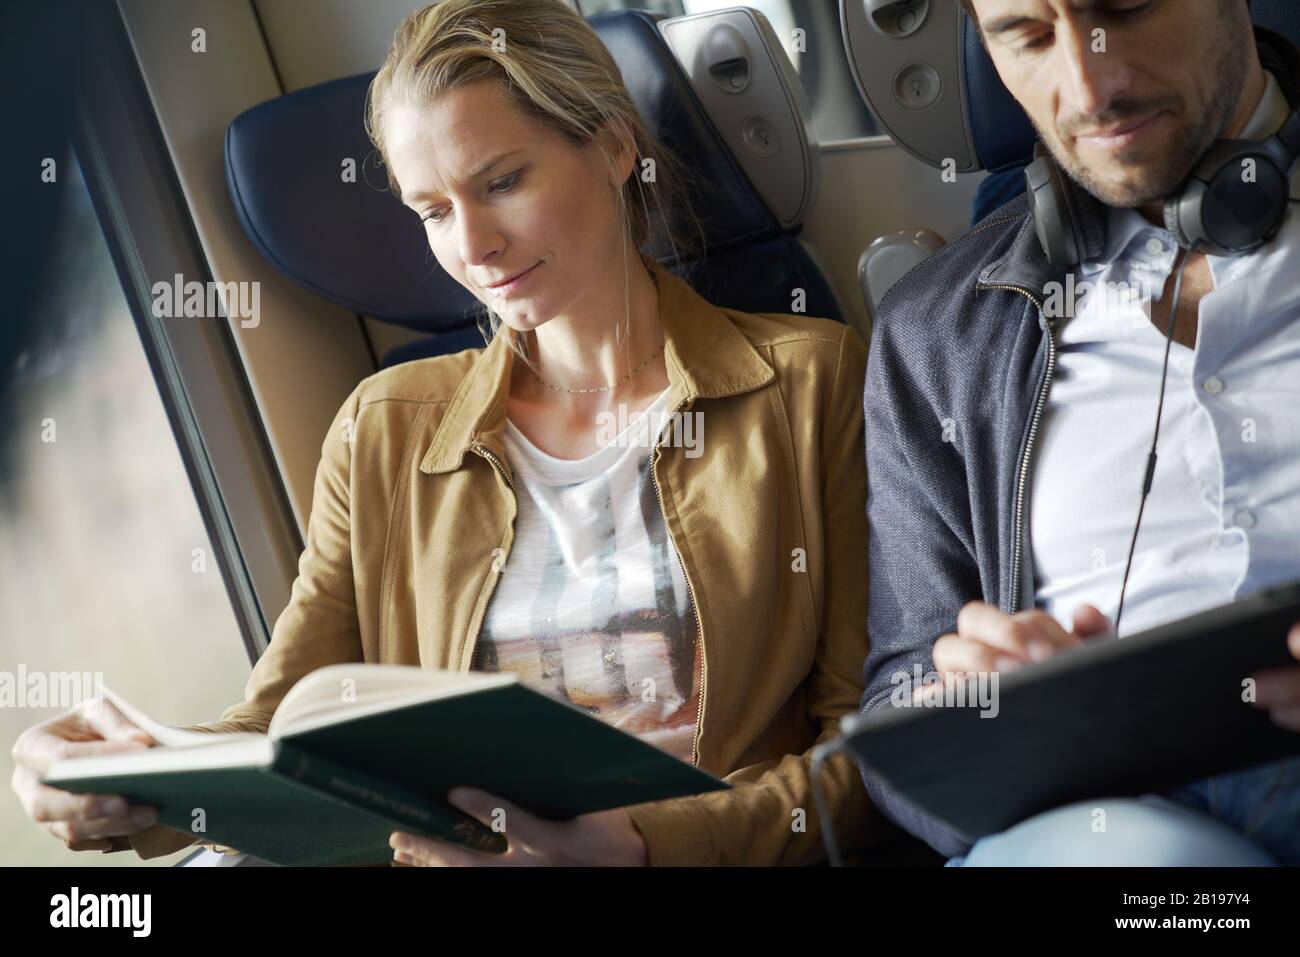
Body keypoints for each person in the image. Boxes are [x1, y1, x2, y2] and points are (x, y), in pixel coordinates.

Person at [12, 0, 888, 866]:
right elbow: (277, 730)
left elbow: (864, 751)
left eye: (502, 182)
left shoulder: (808, 384)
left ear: (617, 147)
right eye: (432, 211)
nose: (475, 247)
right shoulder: (383, 429)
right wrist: (124, 781)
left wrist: (640, 843)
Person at [861, 0, 1300, 865]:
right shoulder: (935, 334)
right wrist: (985, 720)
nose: (1089, 85)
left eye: (1126, 9)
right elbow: (899, 699)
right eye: (1026, 36)